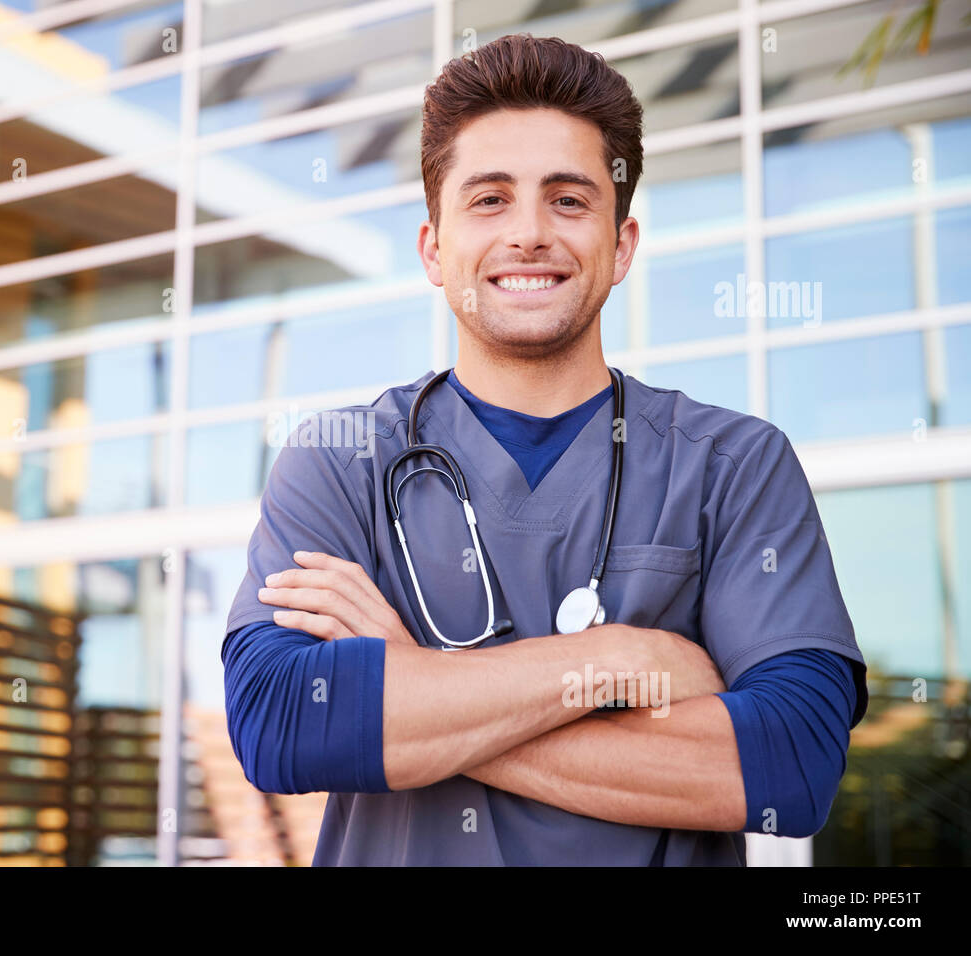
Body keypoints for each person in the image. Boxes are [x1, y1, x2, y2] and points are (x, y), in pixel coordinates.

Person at [220, 33, 868, 865]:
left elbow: (790, 768)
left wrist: (413, 690)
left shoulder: (733, 467)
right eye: (489, 200)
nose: (528, 234)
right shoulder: (340, 461)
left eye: (568, 200)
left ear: (621, 244)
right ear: (432, 248)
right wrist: (617, 659)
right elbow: (282, 723)